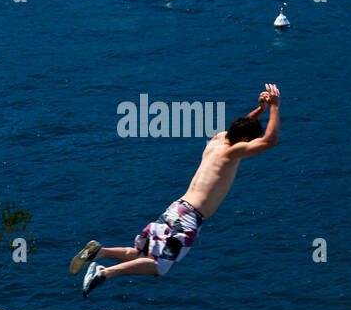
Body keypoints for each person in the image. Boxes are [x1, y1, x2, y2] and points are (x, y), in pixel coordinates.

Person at [71, 83, 280, 297]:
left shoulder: (219, 139)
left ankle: (100, 252)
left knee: (143, 253)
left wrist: (260, 110)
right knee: (160, 266)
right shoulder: (232, 153)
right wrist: (274, 106)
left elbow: (240, 127)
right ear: (245, 141)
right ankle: (104, 272)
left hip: (176, 208)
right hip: (189, 218)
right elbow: (269, 141)